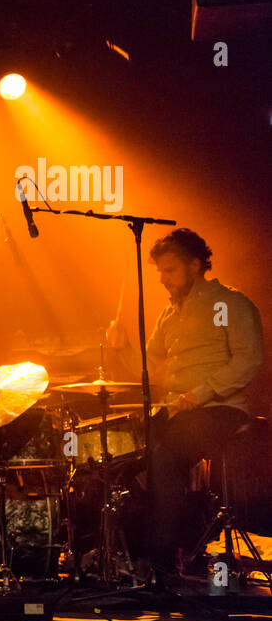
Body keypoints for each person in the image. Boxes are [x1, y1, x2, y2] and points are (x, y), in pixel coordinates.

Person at [110, 229, 264, 580]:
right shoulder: (169, 315)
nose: (163, 279)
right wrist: (123, 349)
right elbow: (150, 370)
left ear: (195, 265)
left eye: (170, 270)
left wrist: (201, 393)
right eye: (160, 272)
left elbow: (248, 360)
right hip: (178, 411)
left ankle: (164, 564)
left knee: (164, 456)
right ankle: (130, 554)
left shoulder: (224, 305)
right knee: (117, 455)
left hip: (220, 410)